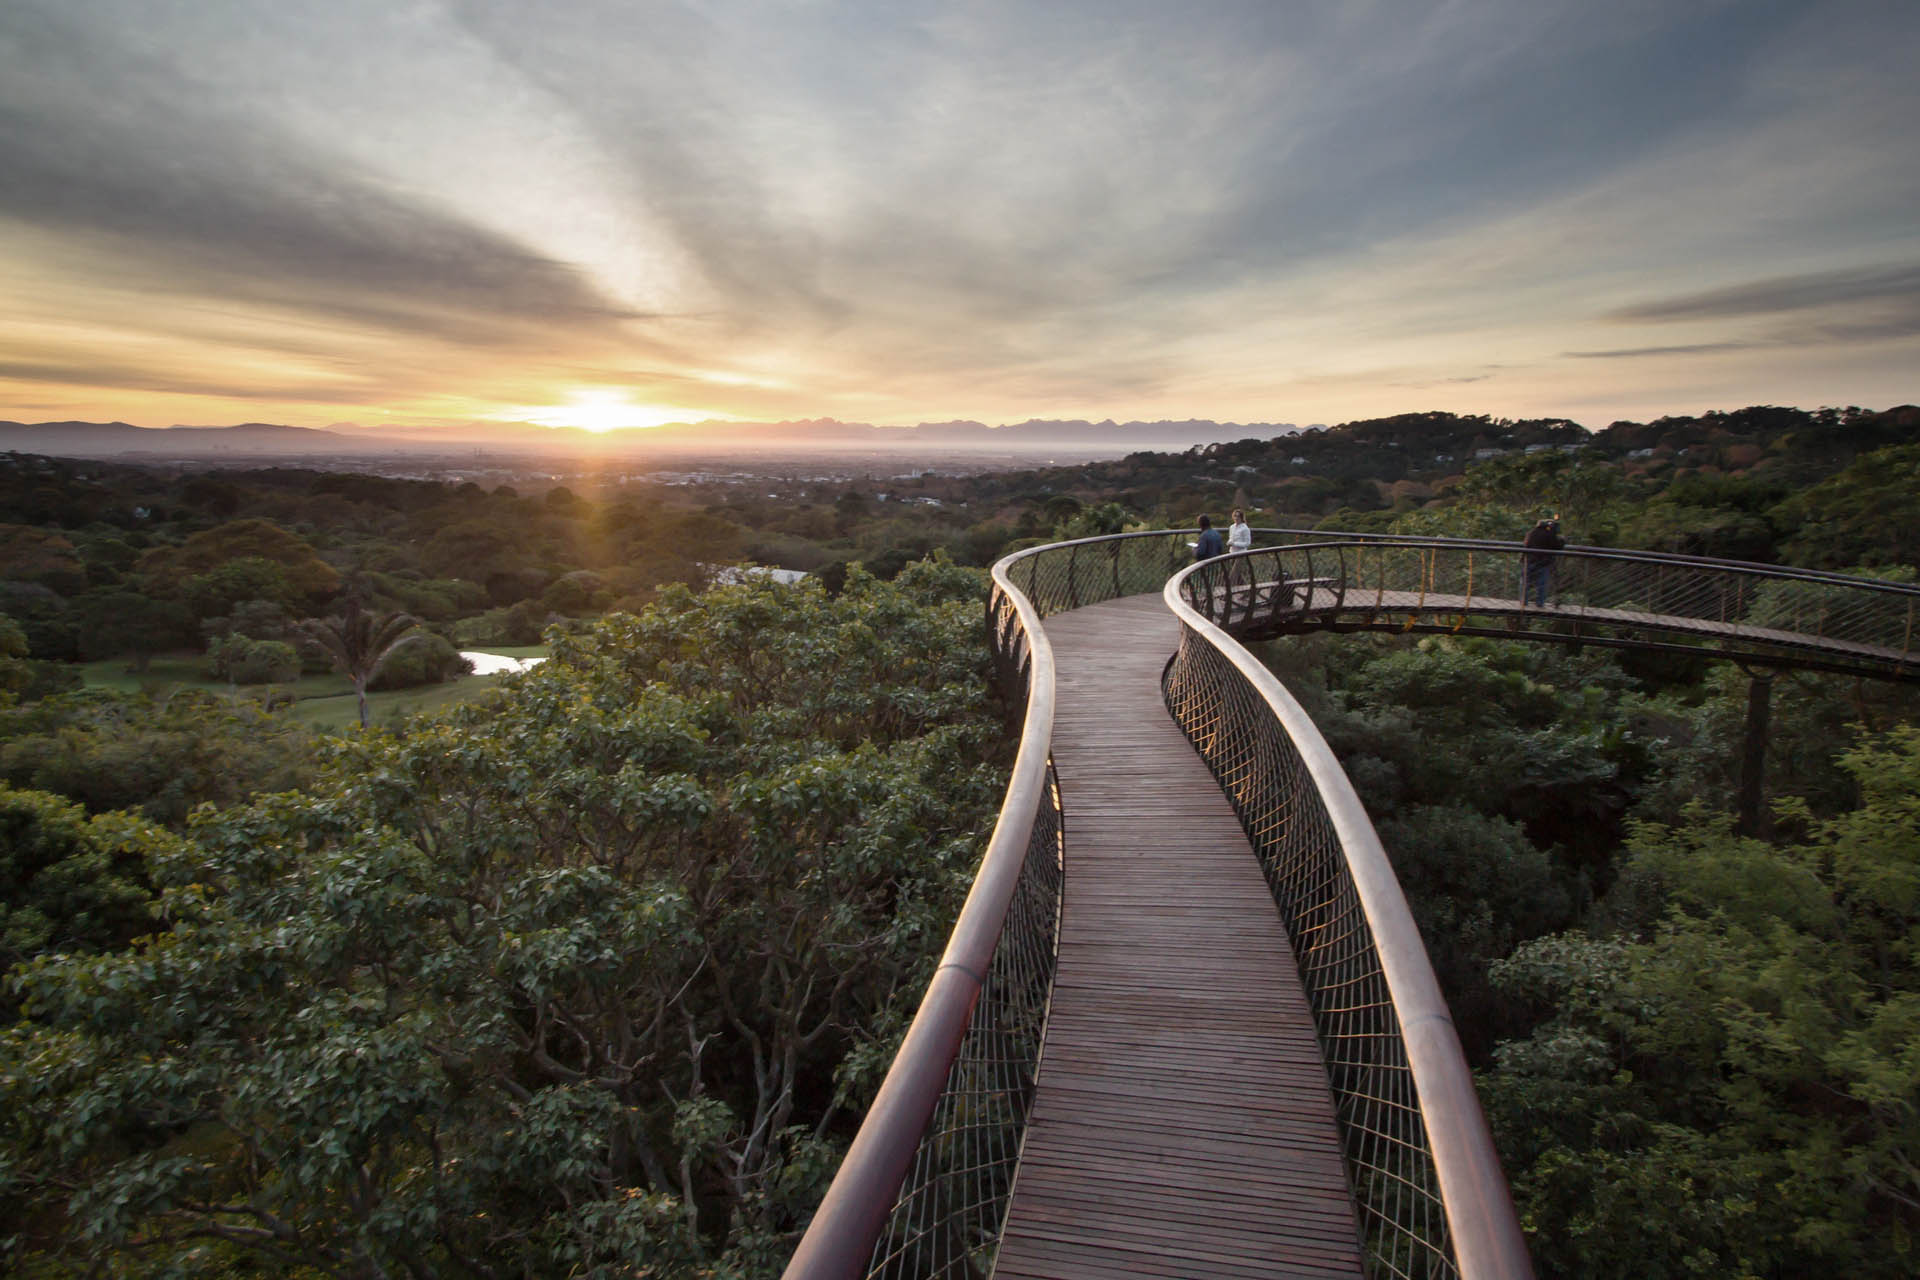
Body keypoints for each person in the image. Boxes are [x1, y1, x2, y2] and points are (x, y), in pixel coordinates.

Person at [1521, 515, 1564, 605]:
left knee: (1525, 583)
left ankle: (1524, 601)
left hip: (1529, 560)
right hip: (1542, 563)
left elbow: (1526, 545)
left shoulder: (1531, 533)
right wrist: (1562, 541)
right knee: (1542, 584)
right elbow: (1557, 546)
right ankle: (1540, 602)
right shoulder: (1549, 534)